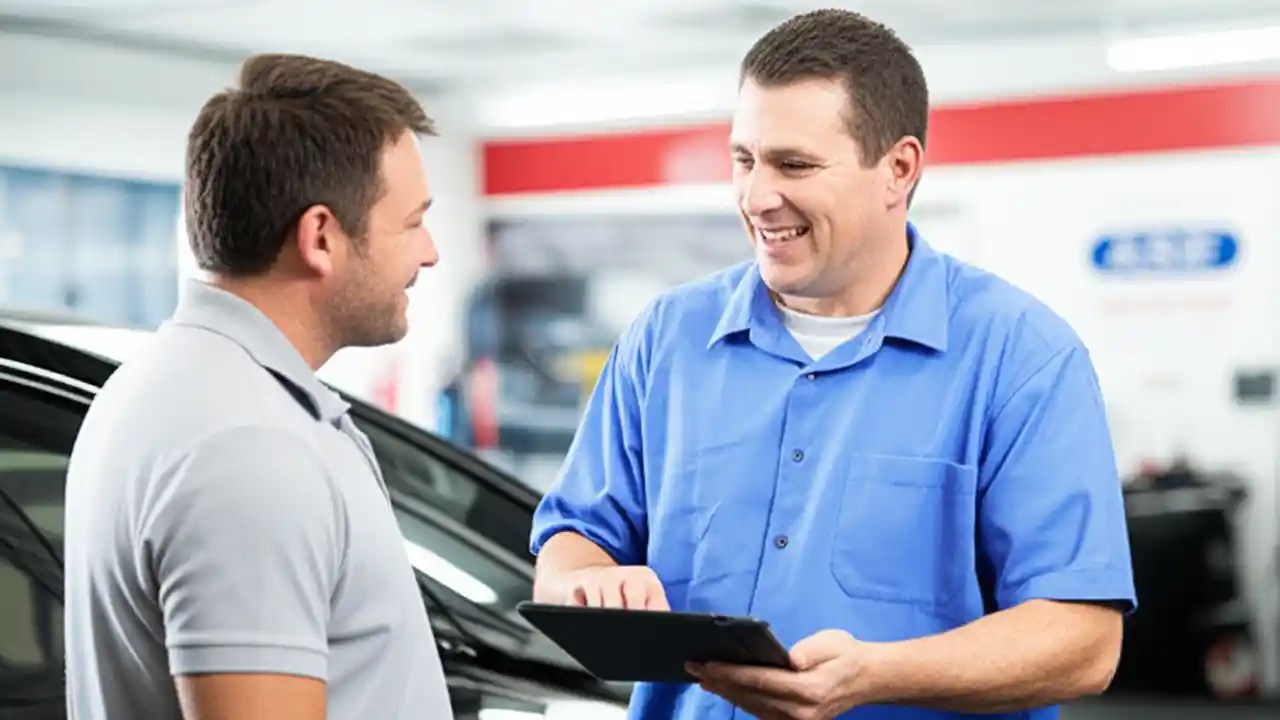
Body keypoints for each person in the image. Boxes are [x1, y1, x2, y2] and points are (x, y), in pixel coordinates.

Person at [528, 9, 1136, 720]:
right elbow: (570, 544)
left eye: (795, 165)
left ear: (898, 169)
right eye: (744, 159)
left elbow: (1084, 642)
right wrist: (590, 582)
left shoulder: (1022, 358)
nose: (756, 197)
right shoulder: (665, 340)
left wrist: (880, 673)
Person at [63, 53, 449, 720]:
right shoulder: (248, 446)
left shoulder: (157, 388)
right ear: (320, 237)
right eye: (412, 223)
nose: (430, 251)